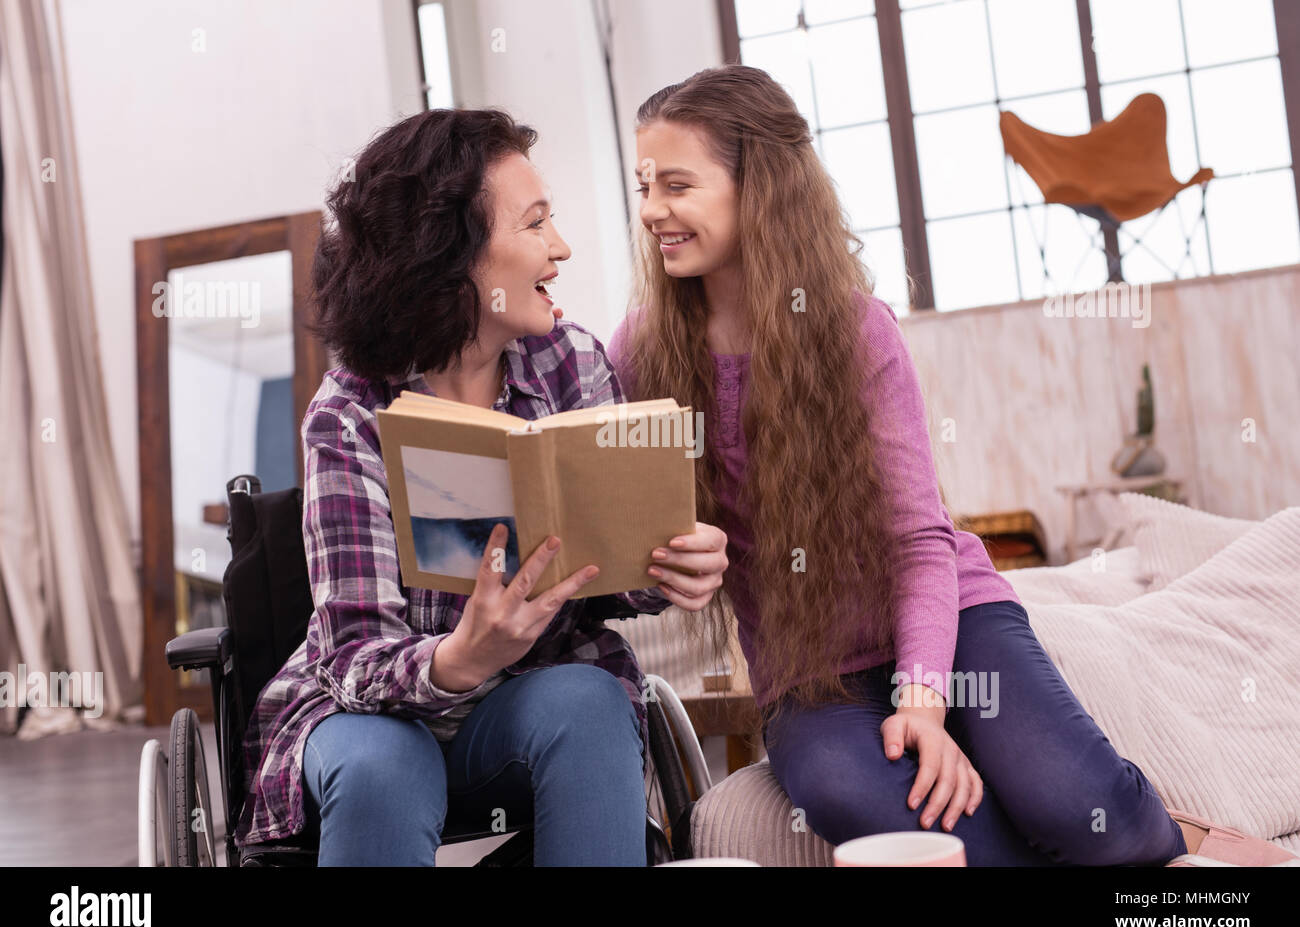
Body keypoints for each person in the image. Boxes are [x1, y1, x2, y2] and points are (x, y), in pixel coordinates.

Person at [606, 64, 1296, 867]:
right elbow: (649, 550)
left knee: (1080, 810)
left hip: (951, 619)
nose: (653, 209)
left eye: (678, 185)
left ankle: (1184, 836)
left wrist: (924, 703)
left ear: (756, 186)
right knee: (899, 823)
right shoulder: (637, 351)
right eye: (644, 184)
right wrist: (673, 570)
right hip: (809, 676)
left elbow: (919, 543)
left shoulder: (856, 332)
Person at [232, 108, 728, 866]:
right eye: (534, 225)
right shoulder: (348, 415)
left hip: (522, 703)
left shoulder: (573, 365)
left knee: (590, 703)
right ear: (450, 257)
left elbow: (615, 575)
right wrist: (459, 658)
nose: (559, 249)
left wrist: (669, 563)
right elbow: (357, 655)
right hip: (372, 711)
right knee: (381, 767)